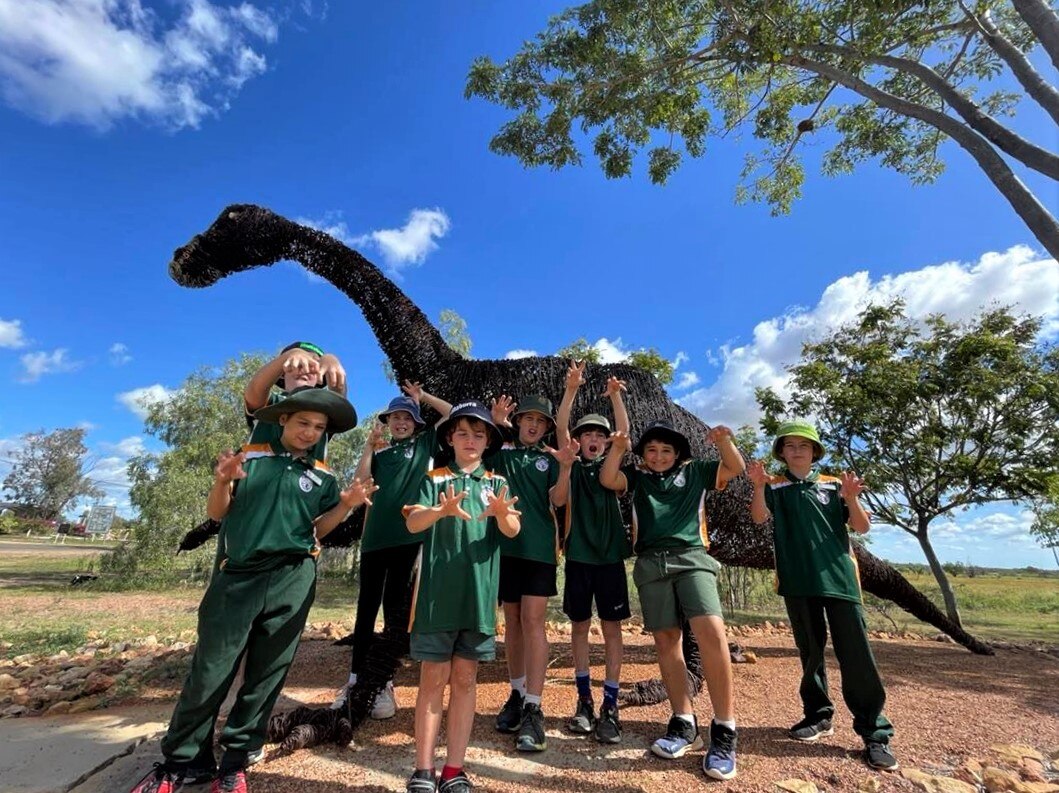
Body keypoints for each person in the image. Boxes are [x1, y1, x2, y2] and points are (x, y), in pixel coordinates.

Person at [129, 387, 375, 793]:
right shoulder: (249, 459)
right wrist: (222, 481)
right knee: (210, 671)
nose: (310, 432)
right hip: (238, 577)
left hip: (293, 579)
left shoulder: (322, 476)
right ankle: (180, 762)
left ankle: (235, 761)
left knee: (267, 673)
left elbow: (318, 531)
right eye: (303, 422)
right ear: (283, 420)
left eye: (318, 427)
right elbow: (217, 513)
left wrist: (346, 504)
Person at [747, 420, 898, 772]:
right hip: (797, 581)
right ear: (781, 452)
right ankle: (818, 716)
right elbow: (758, 517)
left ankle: (874, 732)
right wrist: (758, 486)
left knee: (855, 654)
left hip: (839, 581)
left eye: (803, 445)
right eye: (789, 445)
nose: (796, 450)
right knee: (811, 653)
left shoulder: (834, 485)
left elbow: (861, 526)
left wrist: (851, 498)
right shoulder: (776, 486)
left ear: (814, 451)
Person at [600, 418, 745, 781]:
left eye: (666, 450)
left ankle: (724, 730)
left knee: (711, 633)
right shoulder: (637, 477)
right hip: (651, 563)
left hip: (692, 557)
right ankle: (684, 723)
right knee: (667, 640)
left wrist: (724, 442)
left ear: (678, 452)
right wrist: (617, 449)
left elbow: (734, 468)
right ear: (643, 454)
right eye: (651, 450)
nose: (659, 456)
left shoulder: (695, 472)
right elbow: (608, 479)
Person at [402, 401, 522, 793]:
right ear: (450, 439)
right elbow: (413, 522)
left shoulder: (497, 484)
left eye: (478, 434)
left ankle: (454, 770)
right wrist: (439, 511)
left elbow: (512, 529)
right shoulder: (434, 479)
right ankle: (423, 769)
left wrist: (501, 513)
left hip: (478, 600)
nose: (470, 440)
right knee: (432, 679)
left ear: (488, 442)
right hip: (436, 599)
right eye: (463, 433)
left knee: (466, 679)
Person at [331, 381, 452, 719]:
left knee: (394, 609)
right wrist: (368, 447)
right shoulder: (381, 453)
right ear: (387, 422)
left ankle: (383, 683)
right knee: (365, 609)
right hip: (374, 541)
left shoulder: (426, 444)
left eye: (407, 417)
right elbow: (359, 485)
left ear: (416, 423)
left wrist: (422, 397)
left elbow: (452, 413)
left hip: (408, 540)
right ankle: (355, 680)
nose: (401, 422)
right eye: (395, 417)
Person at [552, 361, 632, 743]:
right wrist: (571, 389)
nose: (594, 439)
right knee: (580, 628)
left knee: (612, 631)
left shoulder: (613, 470)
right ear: (579, 440)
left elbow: (623, 433)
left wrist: (615, 396)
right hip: (579, 559)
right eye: (588, 434)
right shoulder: (570, 467)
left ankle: (610, 704)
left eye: (600, 434)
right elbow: (560, 427)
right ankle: (583, 700)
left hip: (611, 560)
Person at [487, 394, 569, 752]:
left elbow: (559, 500)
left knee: (533, 621)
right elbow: (480, 459)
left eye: (540, 421)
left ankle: (535, 707)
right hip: (505, 549)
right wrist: (494, 424)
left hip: (538, 549)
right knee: (513, 621)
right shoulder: (501, 453)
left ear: (547, 427)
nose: (534, 425)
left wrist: (566, 468)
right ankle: (517, 694)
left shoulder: (549, 458)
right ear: (517, 421)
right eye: (528, 418)